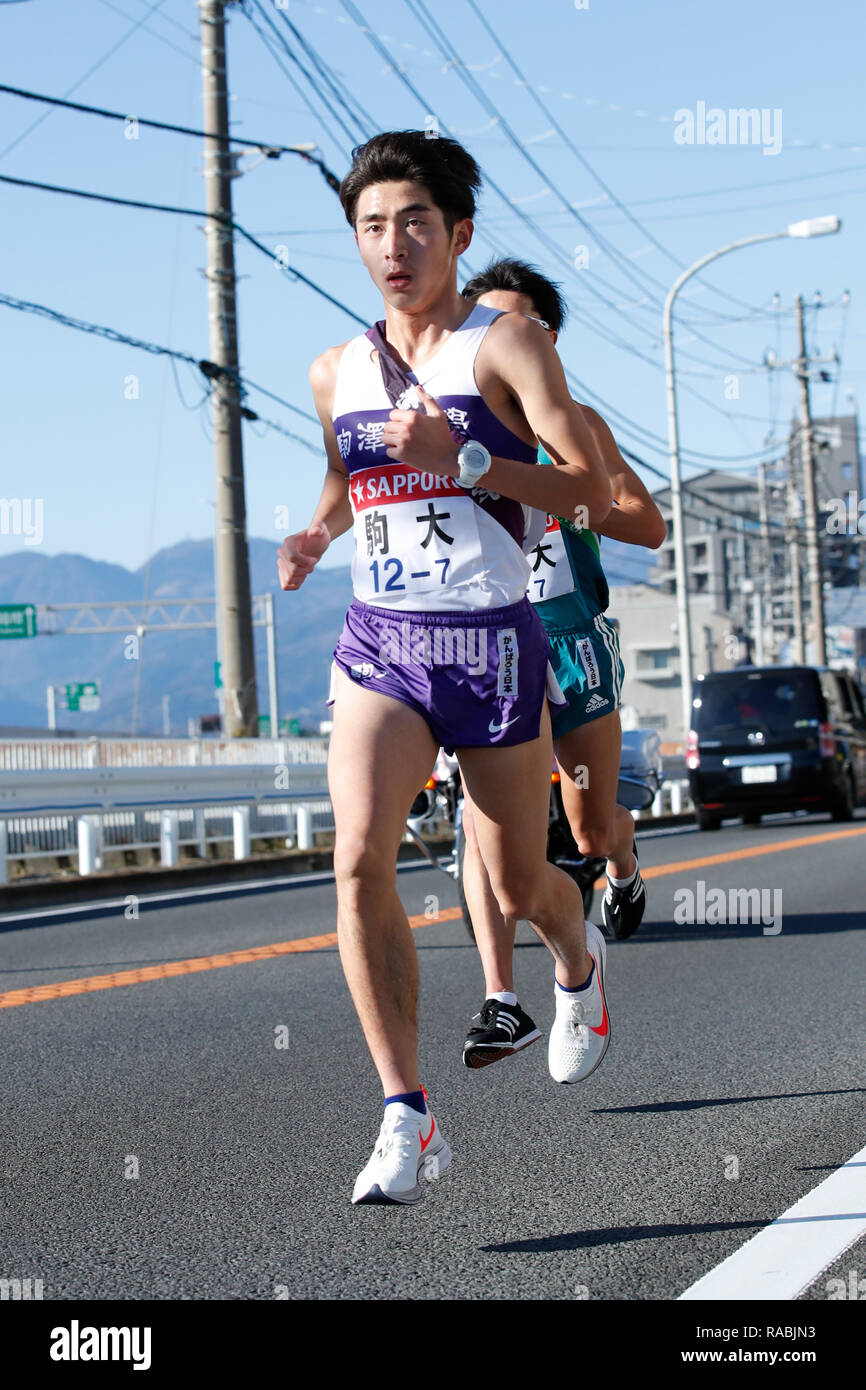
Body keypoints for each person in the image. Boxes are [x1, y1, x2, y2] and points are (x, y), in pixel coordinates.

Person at [277, 132, 612, 1206]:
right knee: (356, 858)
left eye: (413, 221)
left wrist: (464, 461)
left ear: (457, 234)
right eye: (371, 226)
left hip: (491, 643)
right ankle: (406, 1112)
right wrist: (315, 538)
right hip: (382, 642)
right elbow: (343, 475)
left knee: (517, 887)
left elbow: (587, 490)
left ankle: (575, 962)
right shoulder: (336, 369)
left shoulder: (503, 345)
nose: (392, 244)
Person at [456, 258, 666, 1070]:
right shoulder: (454, 421)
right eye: (482, 324)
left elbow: (647, 527)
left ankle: (622, 859)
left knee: (587, 825)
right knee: (482, 832)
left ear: (543, 336)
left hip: (569, 637)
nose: (495, 339)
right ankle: (505, 998)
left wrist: (563, 495)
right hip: (486, 643)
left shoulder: (576, 426)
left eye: (512, 324)